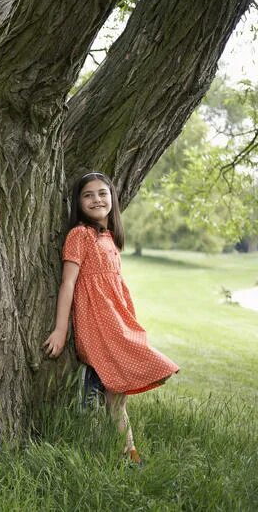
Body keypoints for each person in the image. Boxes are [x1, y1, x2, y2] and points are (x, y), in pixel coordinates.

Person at [43, 172, 179, 465]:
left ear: (112, 199)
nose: (96, 199)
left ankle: (128, 453)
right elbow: (68, 283)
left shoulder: (110, 238)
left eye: (102, 193)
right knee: (148, 371)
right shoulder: (80, 235)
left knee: (117, 397)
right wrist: (60, 329)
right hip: (99, 324)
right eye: (88, 195)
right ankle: (114, 449)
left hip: (118, 319)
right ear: (78, 203)